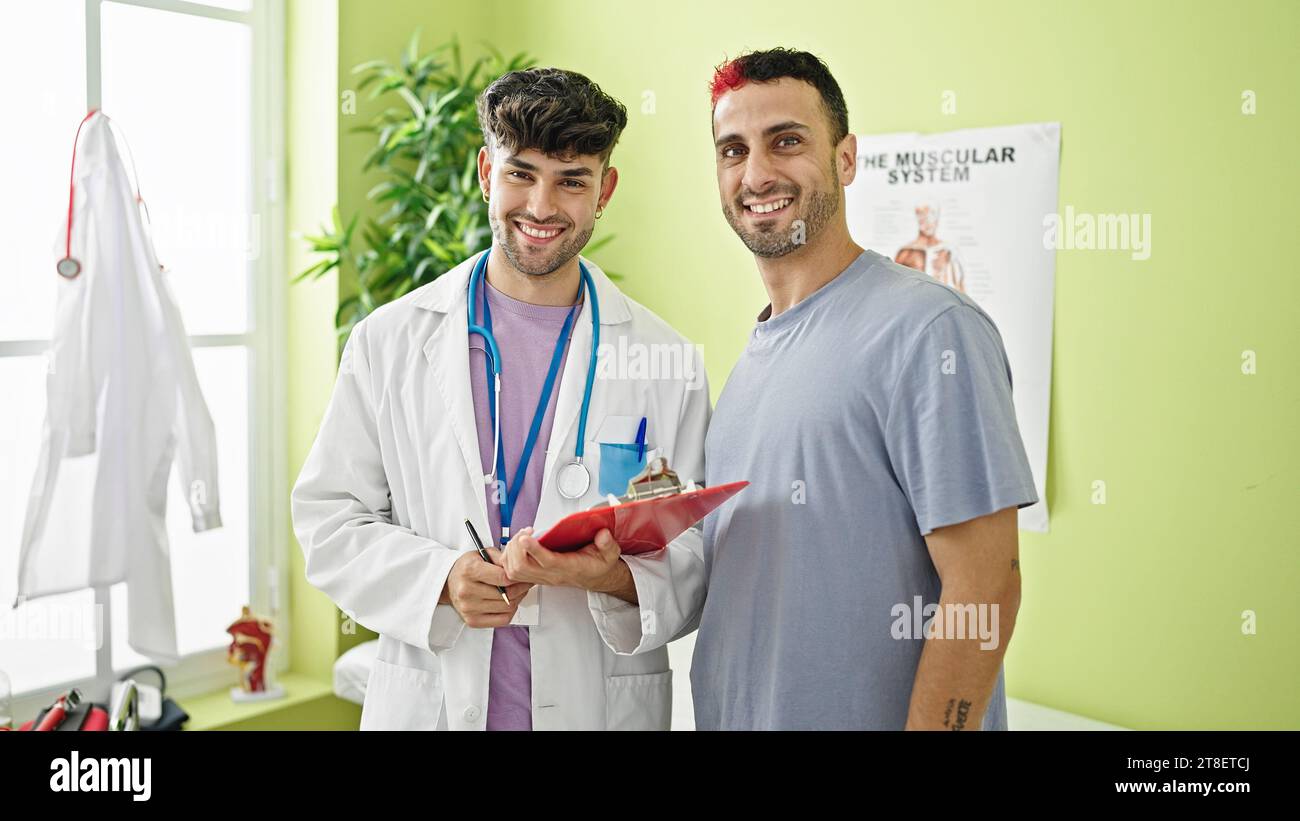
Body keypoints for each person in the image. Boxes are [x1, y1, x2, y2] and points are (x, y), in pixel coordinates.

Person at [292, 67, 710, 730]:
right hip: (433, 704)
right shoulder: (390, 341)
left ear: (605, 189)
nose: (542, 206)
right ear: (487, 171)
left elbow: (693, 558)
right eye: (522, 173)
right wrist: (441, 579)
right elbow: (329, 520)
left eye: (571, 180)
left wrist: (611, 579)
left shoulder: (669, 364)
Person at [690, 48, 1037, 729]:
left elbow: (986, 587)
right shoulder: (751, 364)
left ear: (845, 159)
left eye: (786, 141)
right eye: (733, 150)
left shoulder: (929, 329)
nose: (757, 173)